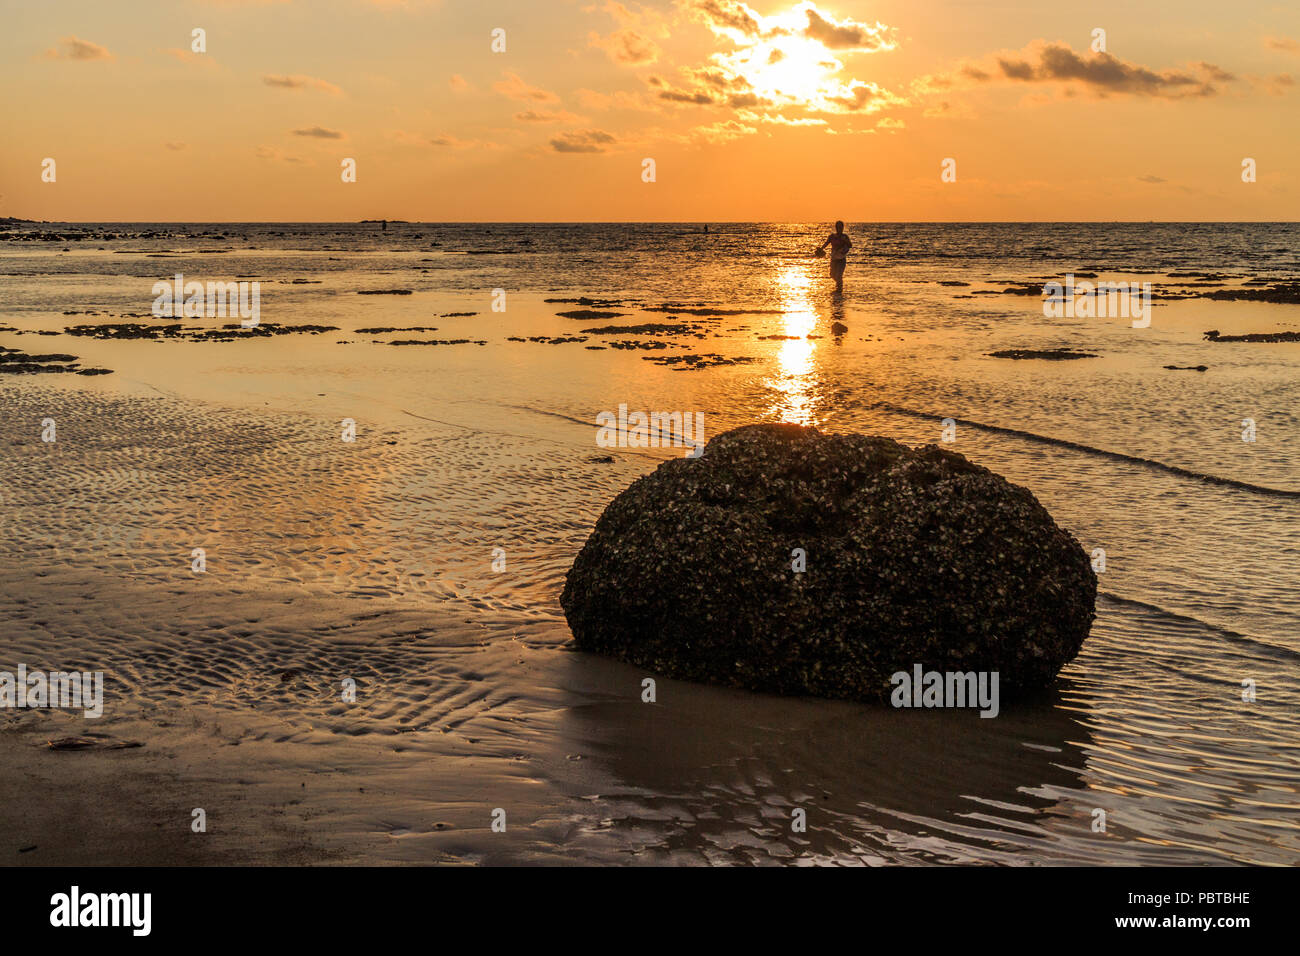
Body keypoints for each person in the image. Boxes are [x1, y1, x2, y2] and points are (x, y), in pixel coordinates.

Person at [817, 221, 851, 292]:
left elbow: (850, 245)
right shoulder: (832, 236)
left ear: (843, 228)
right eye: (838, 227)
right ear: (836, 228)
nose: (839, 229)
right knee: (832, 275)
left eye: (841, 227)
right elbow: (826, 243)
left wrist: (845, 241)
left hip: (842, 259)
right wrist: (821, 249)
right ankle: (839, 286)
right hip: (834, 259)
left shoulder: (845, 236)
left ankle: (839, 289)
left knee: (839, 275)